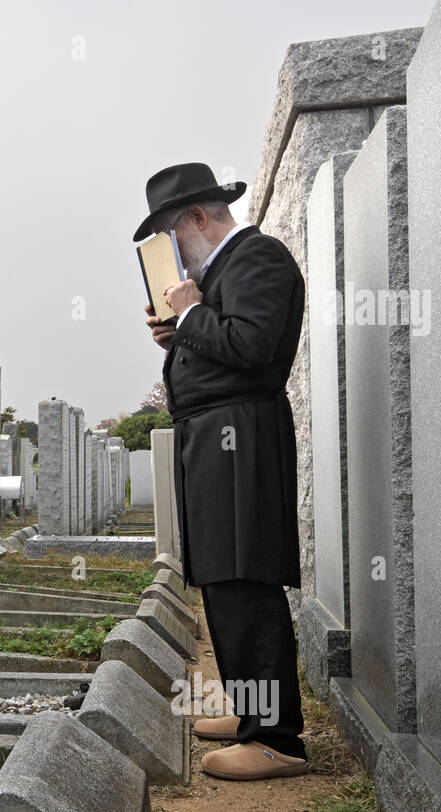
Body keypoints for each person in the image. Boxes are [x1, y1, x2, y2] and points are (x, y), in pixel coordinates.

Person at [133, 162, 309, 781]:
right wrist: (180, 334)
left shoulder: (259, 258)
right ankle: (250, 710)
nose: (175, 259)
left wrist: (190, 317)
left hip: (241, 436)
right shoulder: (220, 277)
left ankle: (278, 740)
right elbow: (224, 344)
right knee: (220, 575)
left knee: (246, 575)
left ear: (198, 219)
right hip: (212, 435)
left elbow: (256, 346)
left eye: (172, 238)